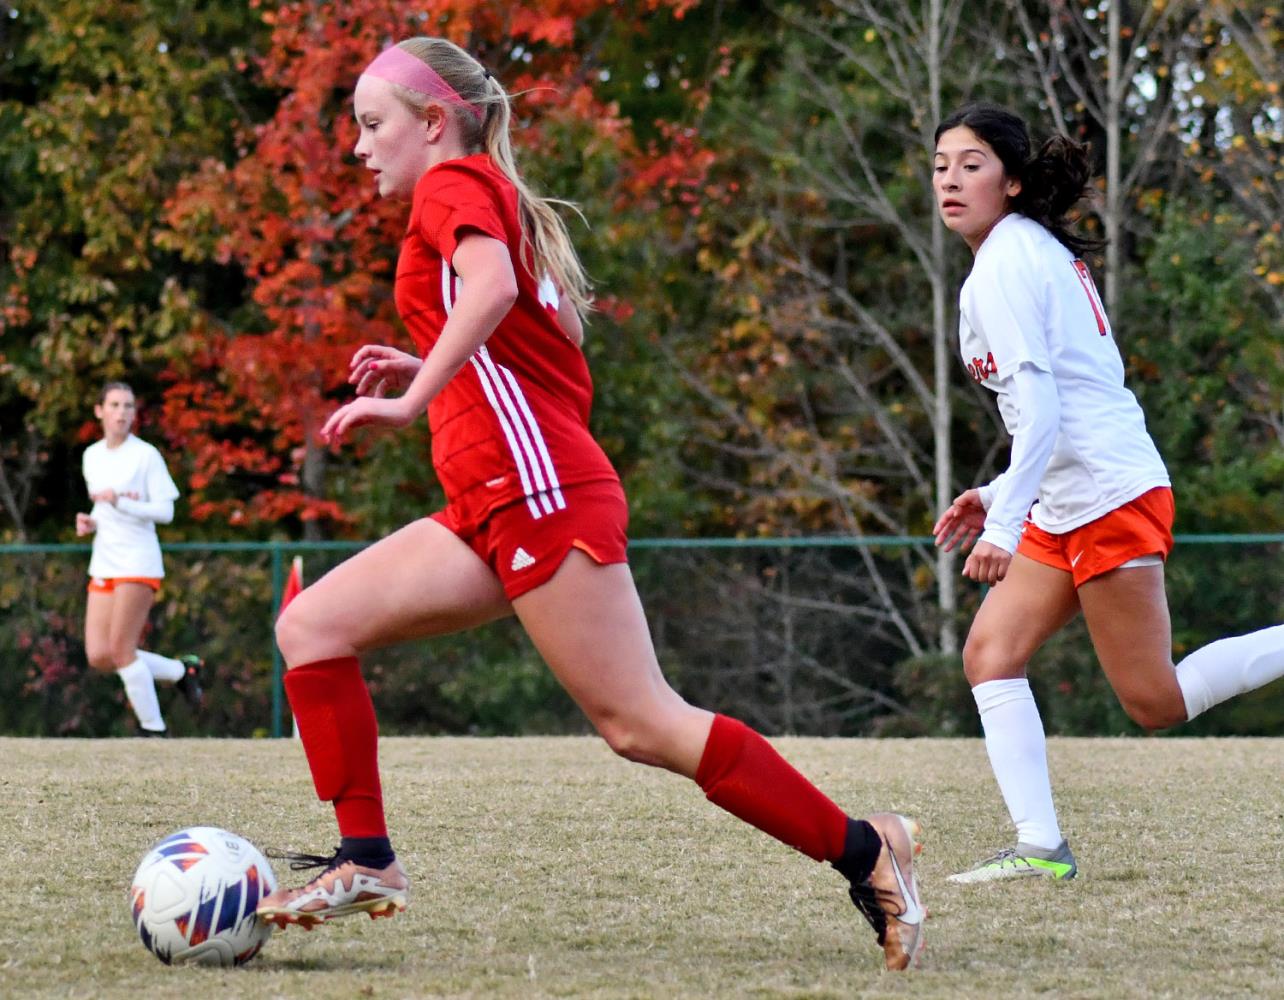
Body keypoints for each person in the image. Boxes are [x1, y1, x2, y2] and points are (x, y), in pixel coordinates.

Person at [257, 37, 925, 970]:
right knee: (313, 629)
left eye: (373, 125)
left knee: (640, 722)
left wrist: (412, 400)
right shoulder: (493, 198)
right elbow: (552, 336)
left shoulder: (452, 188)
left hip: (538, 493)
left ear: (435, 124)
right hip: (497, 499)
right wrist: (435, 366)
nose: (361, 146)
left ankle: (865, 848)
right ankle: (366, 861)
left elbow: (492, 295)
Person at [930, 102, 1284, 883]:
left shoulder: (1005, 265)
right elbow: (1062, 402)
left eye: (972, 164)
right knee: (991, 654)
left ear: (1013, 182)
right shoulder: (1022, 251)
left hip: (1107, 496)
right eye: (940, 166)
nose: (951, 180)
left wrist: (1005, 523)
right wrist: (1000, 493)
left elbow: (1052, 409)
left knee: (1153, 702)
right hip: (1070, 492)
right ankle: (1041, 849)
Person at [77, 382, 204, 735]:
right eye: (115, 405)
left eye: (128, 406)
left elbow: (165, 512)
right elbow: (101, 507)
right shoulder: (92, 456)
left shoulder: (145, 455)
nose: (122, 413)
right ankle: (181, 671)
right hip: (104, 560)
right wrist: (90, 522)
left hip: (138, 560)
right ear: (99, 411)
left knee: (121, 650)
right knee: (99, 655)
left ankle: (153, 731)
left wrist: (121, 501)